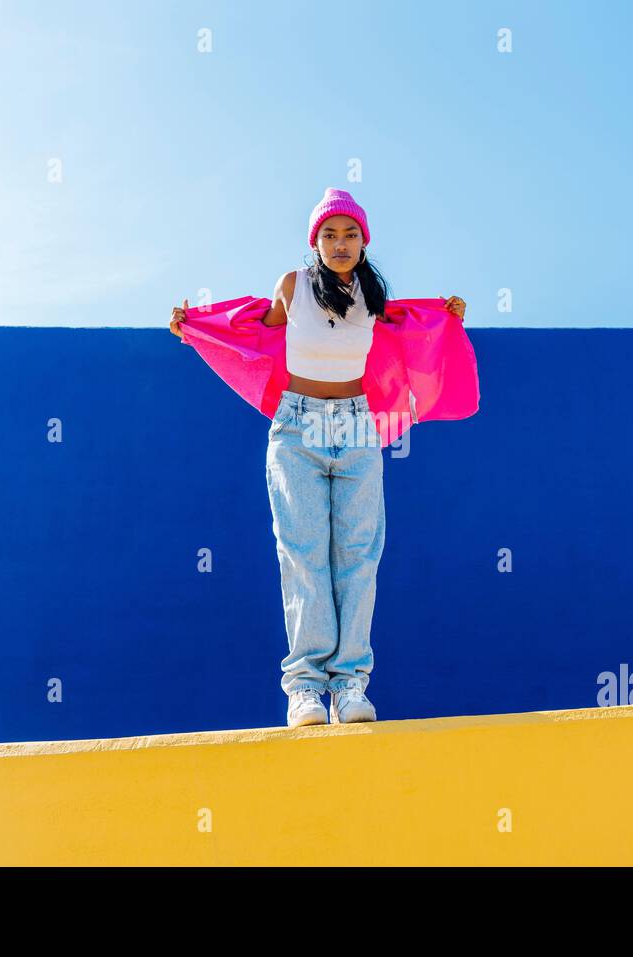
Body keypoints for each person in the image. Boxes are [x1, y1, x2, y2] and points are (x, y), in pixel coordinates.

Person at [170, 188, 466, 727]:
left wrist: (446, 316)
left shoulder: (372, 297)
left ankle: (351, 685)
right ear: (315, 242)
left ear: (364, 241)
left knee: (358, 555)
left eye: (350, 233)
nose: (340, 243)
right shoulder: (295, 286)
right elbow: (250, 332)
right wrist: (195, 327)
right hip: (296, 429)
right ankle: (305, 688)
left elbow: (412, 327)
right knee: (303, 554)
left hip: (357, 428)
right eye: (329, 234)